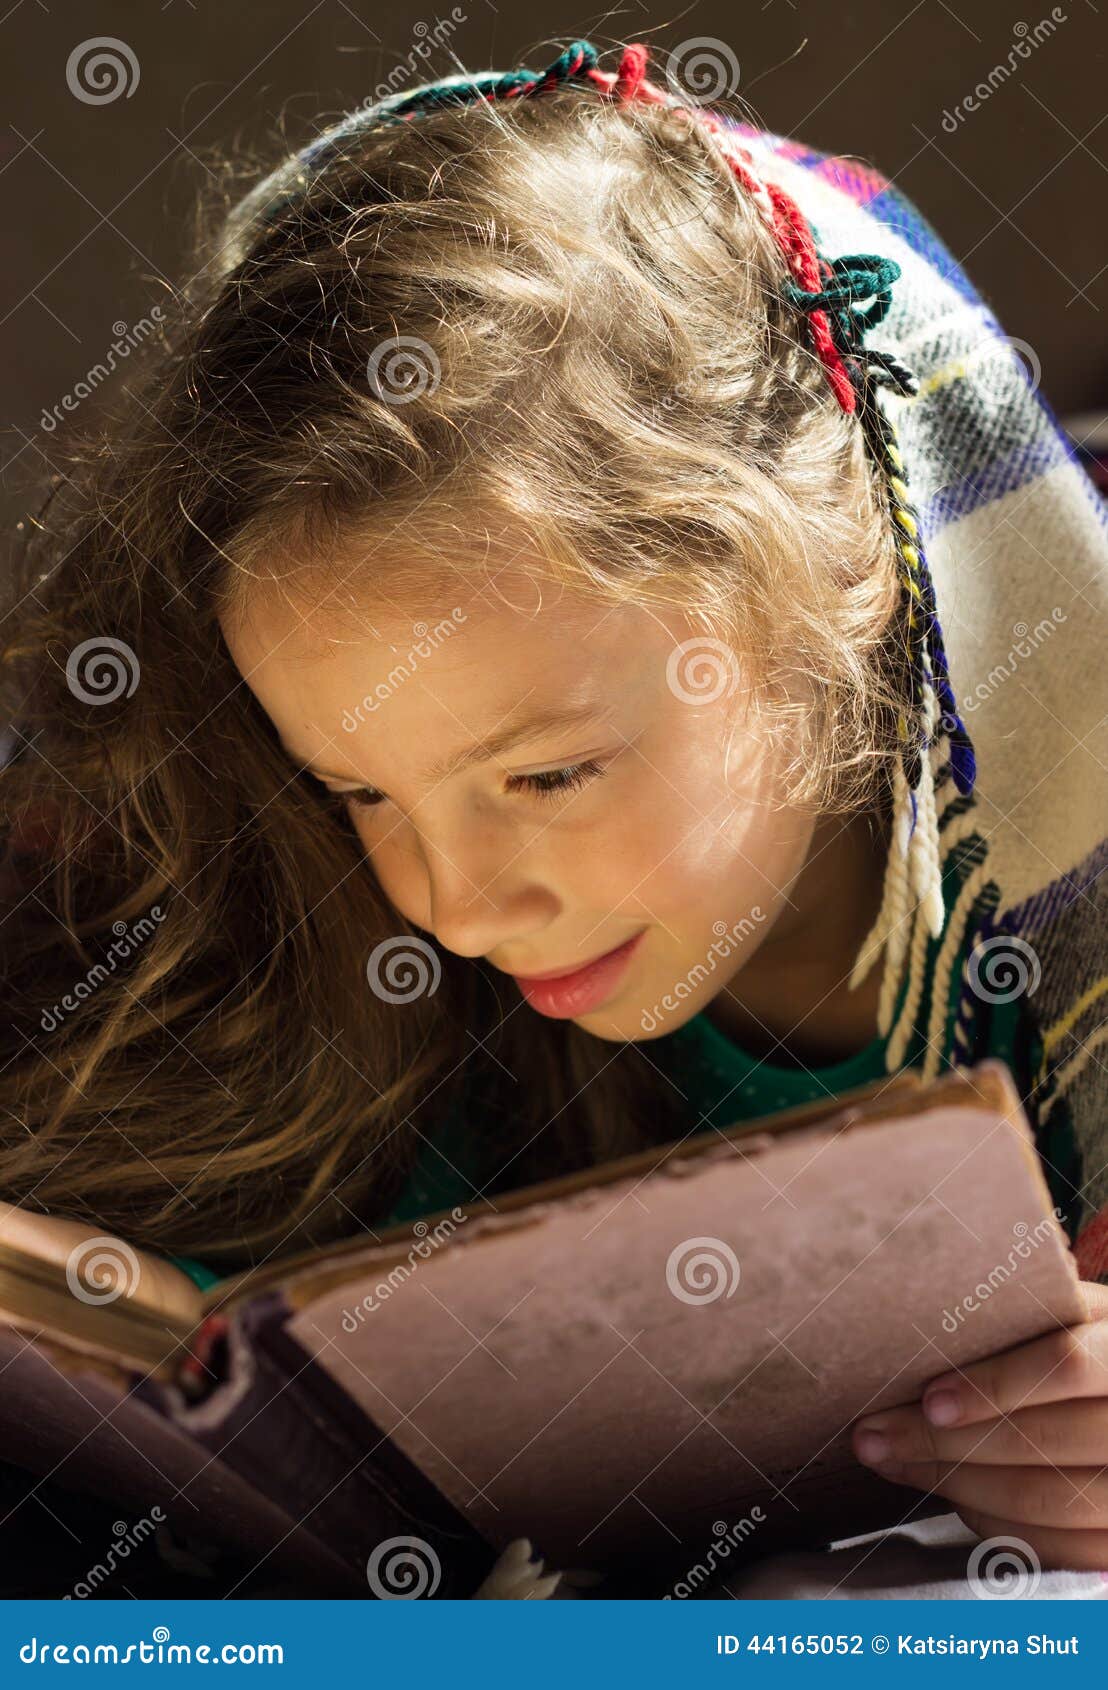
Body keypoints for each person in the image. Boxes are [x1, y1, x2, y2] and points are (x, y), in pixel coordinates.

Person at [3, 39, 1107, 1574]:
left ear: (836, 582)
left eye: (545, 774)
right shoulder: (329, 970)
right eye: (358, 790)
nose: (445, 904)